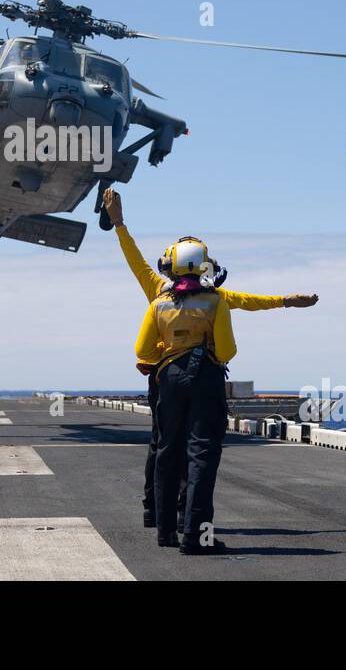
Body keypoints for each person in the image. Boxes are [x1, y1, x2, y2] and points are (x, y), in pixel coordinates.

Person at [101, 188, 318, 554]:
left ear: (169, 264)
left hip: (165, 380)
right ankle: (196, 535)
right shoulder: (216, 299)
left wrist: (119, 222)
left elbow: (135, 266)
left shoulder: (158, 297)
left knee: (165, 450)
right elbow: (239, 328)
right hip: (205, 380)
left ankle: (162, 527)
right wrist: (287, 301)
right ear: (205, 265)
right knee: (201, 454)